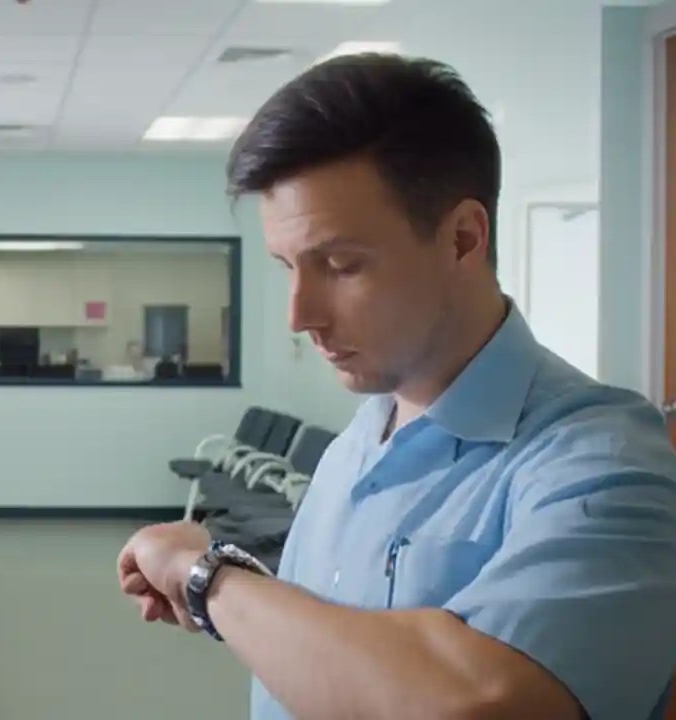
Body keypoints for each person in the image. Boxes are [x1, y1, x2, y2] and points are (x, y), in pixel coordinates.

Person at [116, 53, 676, 720]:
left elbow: (478, 703)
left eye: (342, 265)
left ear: (463, 239)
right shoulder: (360, 438)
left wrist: (211, 582)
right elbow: (353, 642)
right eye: (287, 267)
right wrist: (242, 604)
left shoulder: (605, 462)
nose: (300, 316)